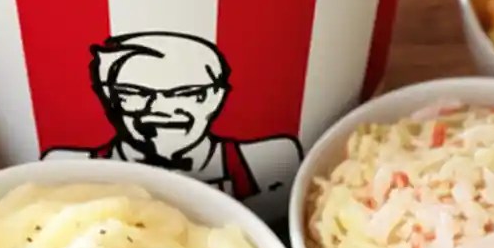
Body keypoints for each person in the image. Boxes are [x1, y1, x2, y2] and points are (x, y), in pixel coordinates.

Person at [42, 31, 301, 213]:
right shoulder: (64, 165)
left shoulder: (268, 159)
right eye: (134, 94)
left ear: (216, 97)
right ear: (109, 98)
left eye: (188, 94)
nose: (161, 110)